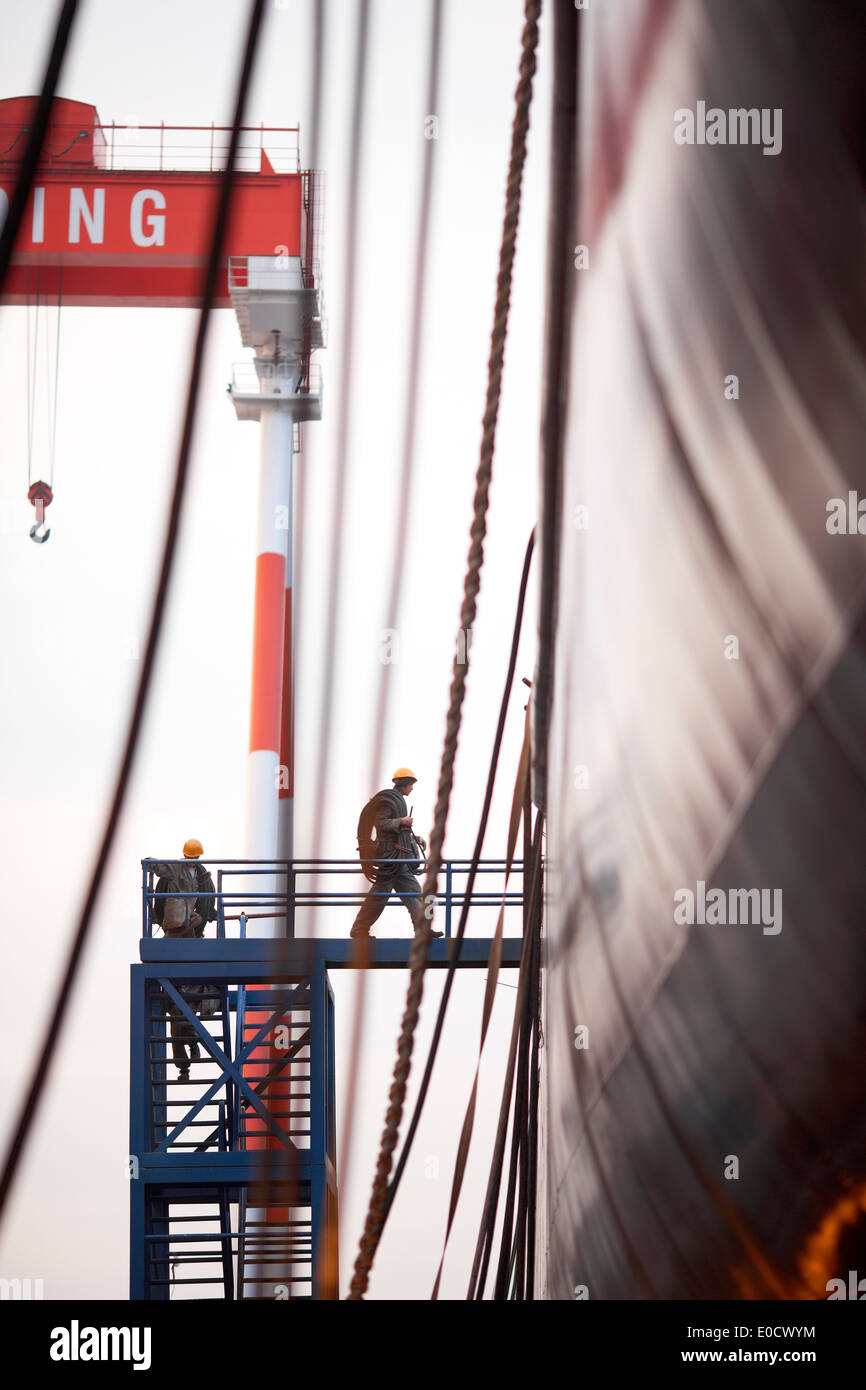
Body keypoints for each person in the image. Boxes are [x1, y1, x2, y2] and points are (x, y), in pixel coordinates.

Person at [151, 838, 218, 1080]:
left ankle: (189, 1054)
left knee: (181, 1016)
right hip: (177, 952)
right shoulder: (175, 872)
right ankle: (188, 1056)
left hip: (185, 963)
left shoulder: (202, 878)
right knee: (178, 1017)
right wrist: (150, 863)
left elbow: (208, 901)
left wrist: (211, 913)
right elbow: (159, 876)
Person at [351, 767, 444, 940]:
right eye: (411, 785)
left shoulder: (398, 801)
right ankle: (359, 929)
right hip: (391, 859)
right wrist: (401, 821)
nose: (412, 788)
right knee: (379, 897)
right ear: (403, 784)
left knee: (416, 893)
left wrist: (416, 838)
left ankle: (422, 930)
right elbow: (381, 824)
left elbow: (400, 831)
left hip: (399, 860)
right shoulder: (388, 801)